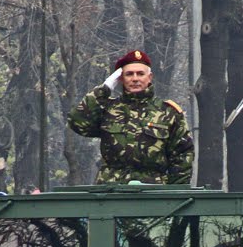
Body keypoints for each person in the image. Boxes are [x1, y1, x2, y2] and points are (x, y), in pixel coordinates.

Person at [68, 49, 193, 185]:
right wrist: (104, 89)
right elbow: (77, 122)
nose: (135, 79)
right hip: (111, 191)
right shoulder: (107, 109)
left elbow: (183, 154)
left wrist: (174, 195)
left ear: (149, 77)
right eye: (129, 74)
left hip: (153, 192)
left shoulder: (168, 112)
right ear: (121, 79)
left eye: (140, 74)